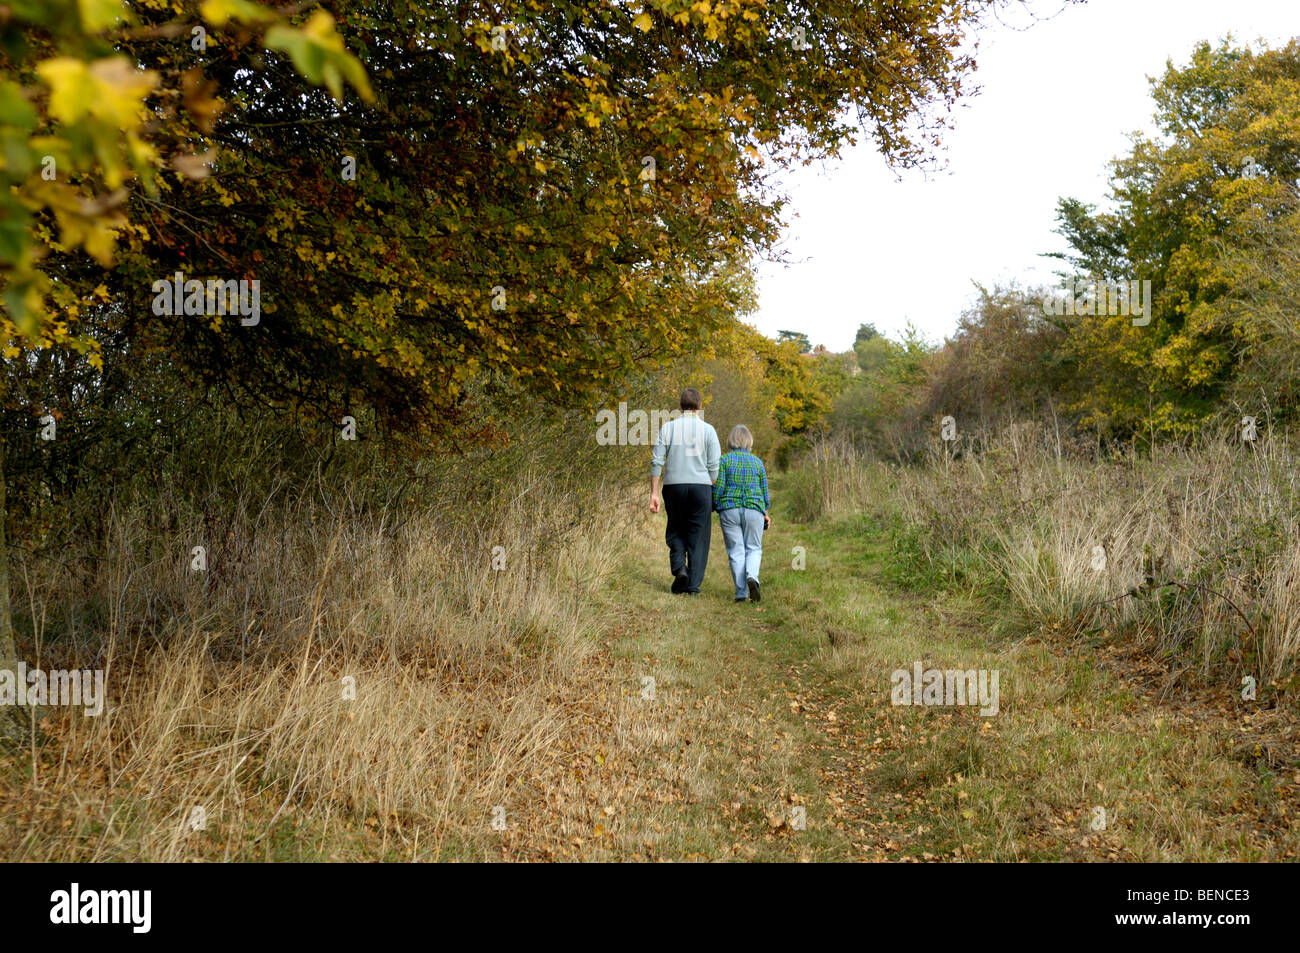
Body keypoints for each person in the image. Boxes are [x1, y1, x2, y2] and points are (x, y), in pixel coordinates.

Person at [649, 387, 721, 595]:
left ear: (680, 407)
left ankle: (680, 568)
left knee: (676, 529)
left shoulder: (668, 428)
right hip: (701, 486)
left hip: (674, 486)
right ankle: (693, 586)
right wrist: (710, 486)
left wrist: (654, 492)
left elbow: (656, 461)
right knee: (698, 535)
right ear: (700, 407)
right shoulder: (709, 430)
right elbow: (714, 465)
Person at [712, 424, 770, 603]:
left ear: (731, 440)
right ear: (749, 441)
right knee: (753, 547)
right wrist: (765, 511)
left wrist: (715, 505)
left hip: (730, 510)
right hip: (754, 509)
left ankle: (740, 593)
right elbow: (764, 493)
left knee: (735, 550)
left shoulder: (724, 461)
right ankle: (752, 576)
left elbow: (718, 488)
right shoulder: (758, 462)